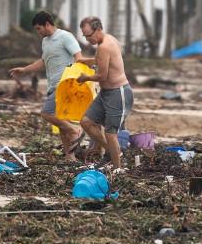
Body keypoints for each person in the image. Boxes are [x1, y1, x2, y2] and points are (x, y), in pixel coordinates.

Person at [9, 11, 93, 161]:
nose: (38, 32)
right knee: (61, 122)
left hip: (65, 85)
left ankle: (75, 130)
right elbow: (43, 62)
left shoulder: (65, 37)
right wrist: (24, 70)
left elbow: (78, 57)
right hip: (52, 86)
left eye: (39, 28)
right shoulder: (45, 41)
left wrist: (89, 71)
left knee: (46, 113)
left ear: (47, 24)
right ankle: (70, 156)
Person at [75, 16, 133, 170]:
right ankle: (111, 152)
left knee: (110, 133)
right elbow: (100, 60)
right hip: (105, 93)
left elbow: (102, 76)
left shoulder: (105, 46)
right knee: (86, 122)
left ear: (98, 28)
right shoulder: (105, 41)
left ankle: (117, 168)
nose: (87, 39)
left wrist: (85, 78)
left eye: (88, 35)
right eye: (84, 36)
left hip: (118, 92)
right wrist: (84, 61)